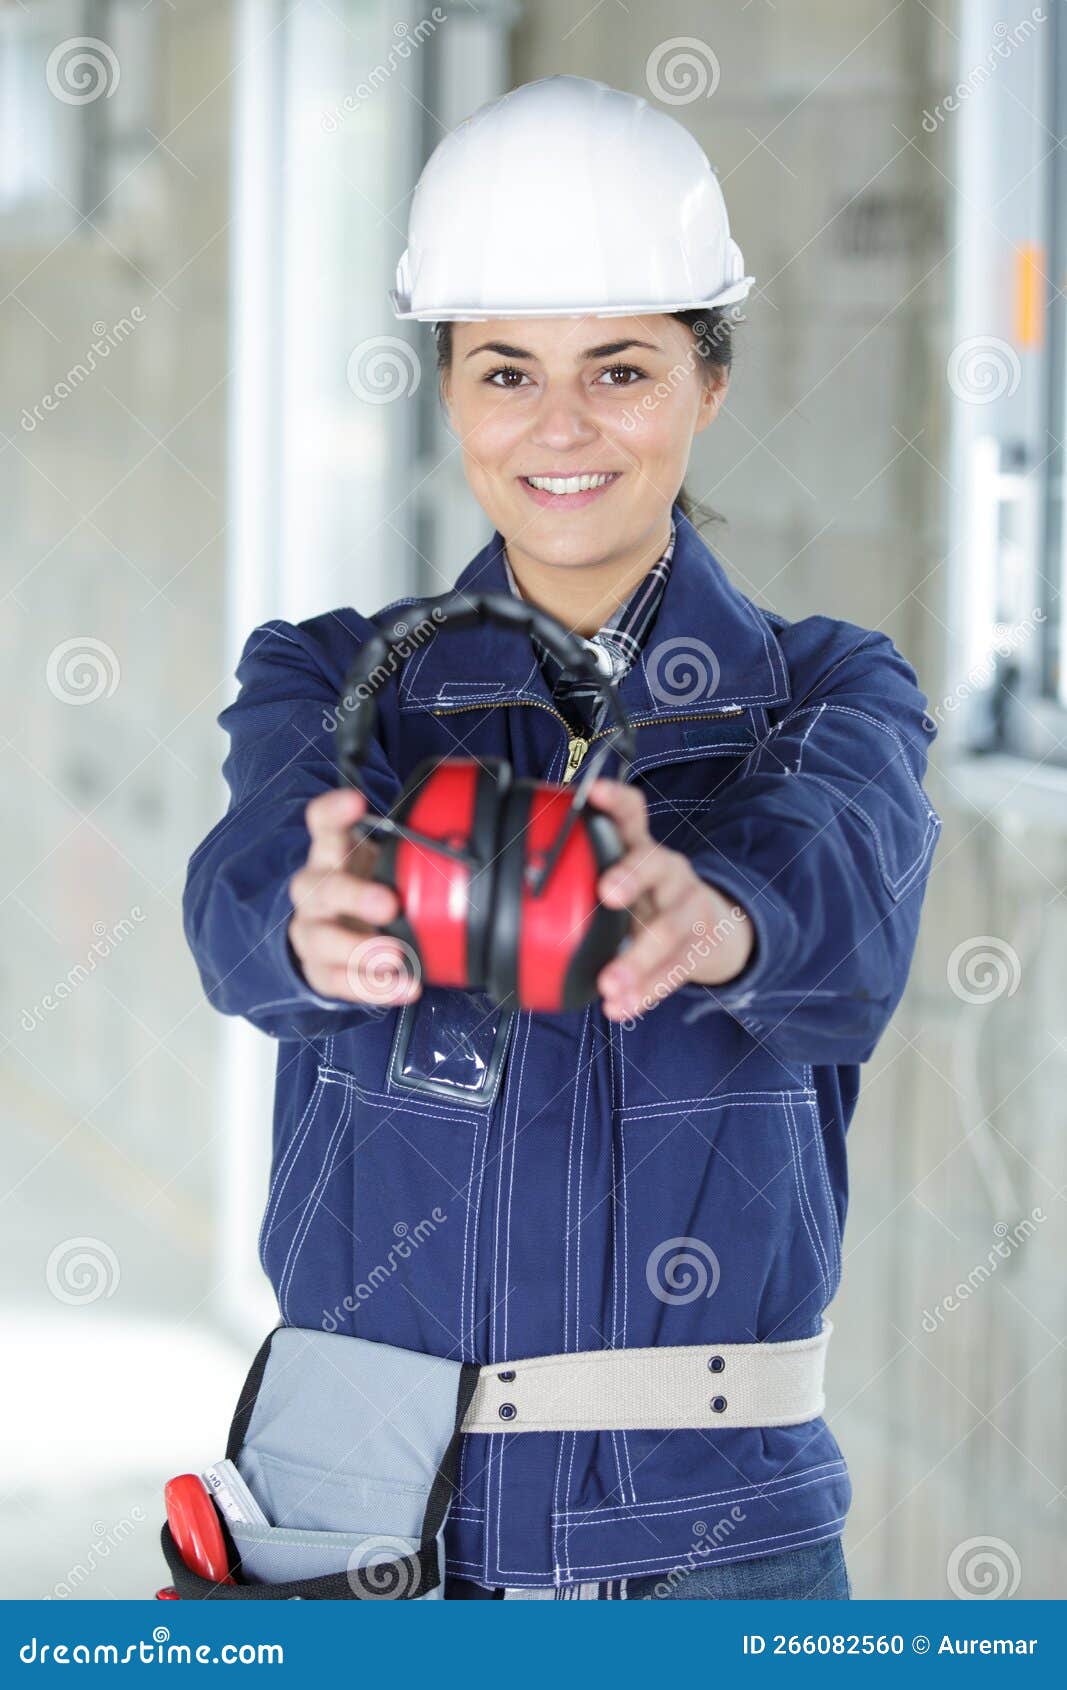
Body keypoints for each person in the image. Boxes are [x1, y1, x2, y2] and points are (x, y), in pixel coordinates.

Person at [184, 75, 941, 1600]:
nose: (563, 428)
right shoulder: (336, 681)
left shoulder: (828, 687)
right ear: (448, 387)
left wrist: (715, 919)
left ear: (709, 382)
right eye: (506, 372)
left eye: (622, 368)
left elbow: (844, 909)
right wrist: (300, 922)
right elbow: (236, 896)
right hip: (352, 1513)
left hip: (706, 1532)